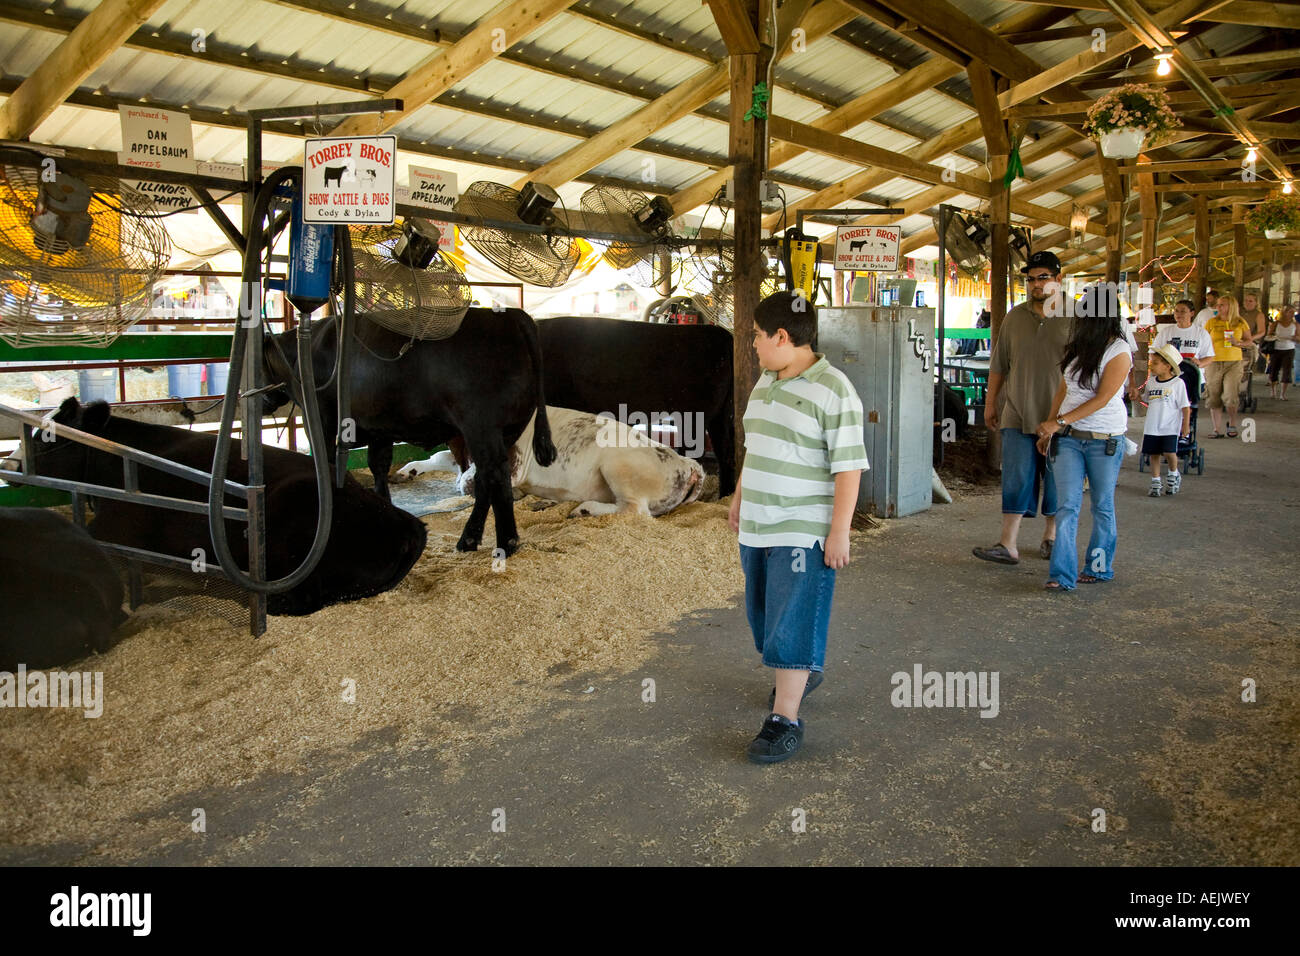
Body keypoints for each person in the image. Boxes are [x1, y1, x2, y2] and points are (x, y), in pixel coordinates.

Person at [728, 290, 868, 764]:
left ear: (782, 336)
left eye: (756, 336)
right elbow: (757, 445)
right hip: (758, 525)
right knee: (763, 619)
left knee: (789, 620)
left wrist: (839, 532)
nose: (752, 344)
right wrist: (739, 496)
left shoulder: (835, 389)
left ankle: (784, 719)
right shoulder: (764, 382)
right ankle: (801, 665)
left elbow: (848, 467)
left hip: (801, 528)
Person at [972, 251, 1070, 566]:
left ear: (1058, 278)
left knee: (1057, 476)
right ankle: (1008, 543)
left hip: (1059, 415)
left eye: (1042, 277)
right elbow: (999, 365)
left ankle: (1051, 536)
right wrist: (990, 403)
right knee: (1016, 474)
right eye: (1030, 279)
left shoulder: (1078, 316)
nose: (1035, 284)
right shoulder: (1014, 316)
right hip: (1016, 410)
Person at [1035, 285, 1133, 591]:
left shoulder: (1119, 350)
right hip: (1068, 438)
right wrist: (1052, 424)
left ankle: (1099, 567)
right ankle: (1061, 575)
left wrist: (1058, 422)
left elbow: (1103, 398)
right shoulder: (1078, 347)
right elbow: (1064, 388)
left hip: (1105, 438)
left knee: (1102, 506)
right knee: (1067, 506)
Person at [1140, 344, 1191, 497]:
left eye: (1155, 363)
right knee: (1153, 454)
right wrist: (1137, 396)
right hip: (1152, 426)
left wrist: (1185, 425)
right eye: (1151, 362)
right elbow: (1146, 400)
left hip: (1169, 426)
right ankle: (1155, 481)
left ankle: (1173, 474)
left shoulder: (1177, 384)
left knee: (1169, 452)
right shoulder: (1151, 382)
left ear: (1167, 366)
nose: (1152, 366)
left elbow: (1185, 407)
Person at [1203, 293, 1254, 438]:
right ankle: (1216, 429)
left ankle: (1232, 423)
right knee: (1213, 395)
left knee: (1231, 395)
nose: (1218, 307)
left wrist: (1238, 343)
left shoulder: (1240, 322)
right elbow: (1203, 339)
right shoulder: (1212, 322)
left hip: (1233, 362)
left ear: (1231, 306)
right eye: (1217, 304)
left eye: (1221, 305)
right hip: (1213, 361)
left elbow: (1249, 341)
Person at [1267, 304, 1297, 399]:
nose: (1292, 314)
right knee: (1274, 370)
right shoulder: (1276, 323)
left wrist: (1295, 338)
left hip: (1289, 349)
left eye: (1293, 312)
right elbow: (1269, 335)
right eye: (1290, 312)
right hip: (1276, 349)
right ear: (1285, 312)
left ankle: (1282, 394)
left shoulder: (1295, 324)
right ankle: (1273, 391)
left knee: (1287, 372)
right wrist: (1274, 336)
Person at [1241, 291, 1267, 373]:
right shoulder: (1239, 312)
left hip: (1249, 343)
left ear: (1256, 303)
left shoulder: (1259, 315)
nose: (1247, 303)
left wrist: (1250, 338)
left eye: (1250, 301)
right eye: (1246, 300)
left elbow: (1262, 331)